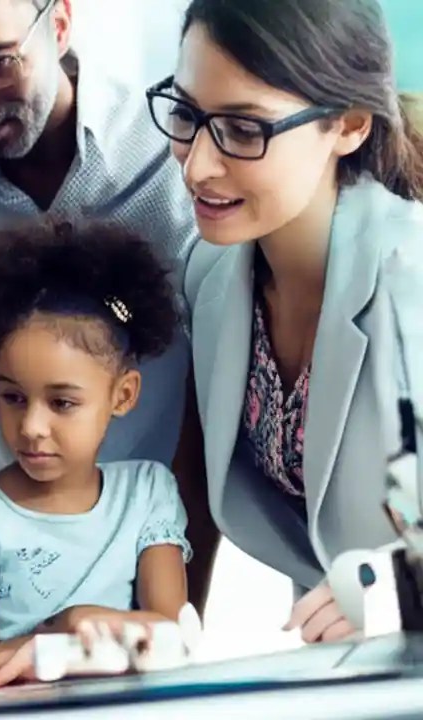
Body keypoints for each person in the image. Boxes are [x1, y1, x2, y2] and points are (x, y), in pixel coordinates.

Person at [0, 0, 216, 604]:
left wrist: (181, 606)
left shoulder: (174, 150)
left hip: (172, 532)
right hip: (25, 554)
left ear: (59, 23)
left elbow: (222, 380)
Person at [162, 0, 423, 644]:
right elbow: (194, 496)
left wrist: (402, 588)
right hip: (337, 670)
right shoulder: (207, 272)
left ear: (350, 125)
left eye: (245, 130)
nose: (197, 165)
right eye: (187, 115)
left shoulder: (411, 273)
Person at [0, 218, 189, 693]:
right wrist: (71, 632)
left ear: (123, 395)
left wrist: (75, 620)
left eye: (62, 403)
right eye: (12, 397)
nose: (31, 428)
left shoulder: (148, 493)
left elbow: (170, 642)